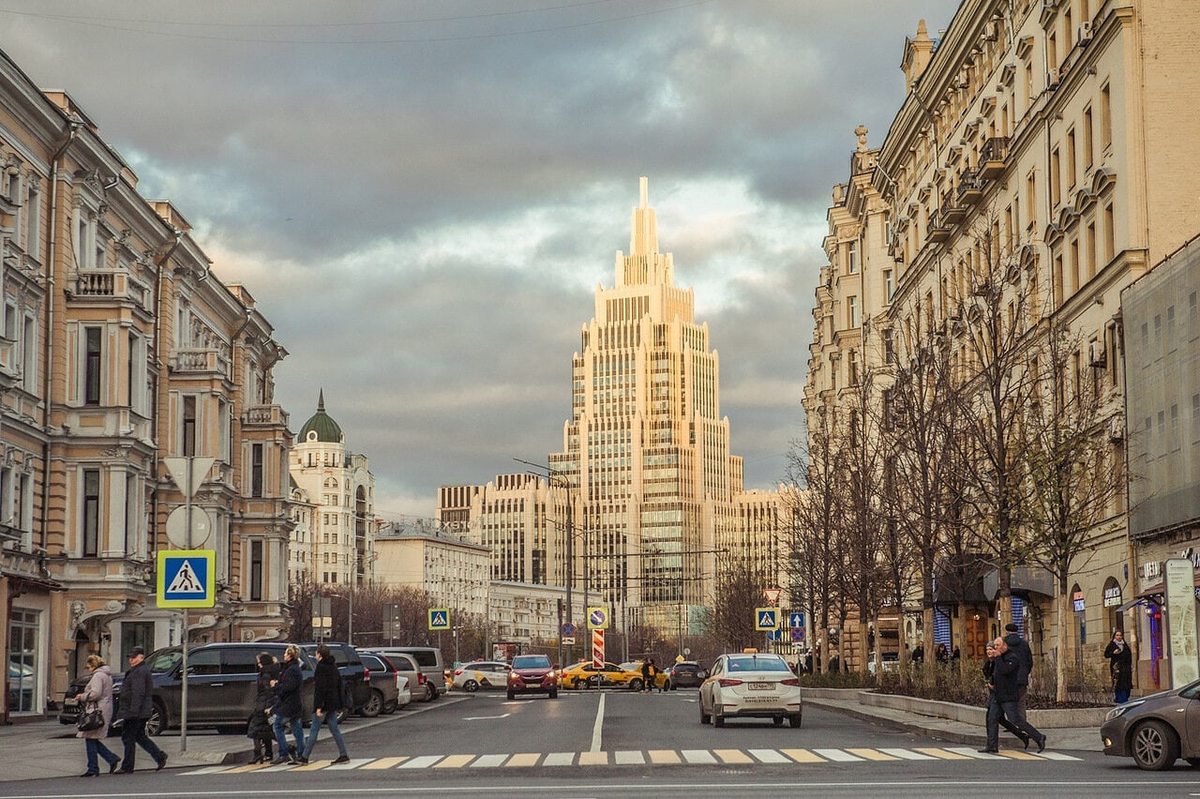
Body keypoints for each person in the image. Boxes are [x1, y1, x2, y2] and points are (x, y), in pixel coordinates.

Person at [115, 647, 167, 773]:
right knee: (139, 736)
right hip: (139, 711)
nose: (131, 660)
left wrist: (133, 711)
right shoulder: (139, 670)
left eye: (134, 657)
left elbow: (138, 693)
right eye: (130, 658)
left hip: (135, 712)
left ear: (141, 657)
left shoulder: (139, 672)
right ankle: (159, 756)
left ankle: (127, 766)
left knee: (128, 737)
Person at [297, 643, 349, 765]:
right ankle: (343, 754)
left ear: (319, 654)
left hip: (323, 704)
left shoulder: (321, 668)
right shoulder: (333, 666)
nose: (315, 654)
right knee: (335, 729)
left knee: (314, 729)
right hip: (333, 703)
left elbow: (321, 689)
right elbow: (337, 685)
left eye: (316, 652)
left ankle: (305, 756)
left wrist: (318, 707)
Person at [991, 637, 1045, 752]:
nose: (996, 648)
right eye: (994, 645)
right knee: (993, 718)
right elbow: (995, 673)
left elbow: (1005, 671)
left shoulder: (1012, 657)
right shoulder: (999, 657)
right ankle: (991, 746)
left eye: (998, 645)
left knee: (1015, 719)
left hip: (1008, 694)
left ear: (1004, 645)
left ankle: (1038, 737)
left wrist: (998, 658)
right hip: (998, 694)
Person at [979, 641, 1029, 753]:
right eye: (987, 650)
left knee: (997, 718)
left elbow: (1003, 675)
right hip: (995, 694)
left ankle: (992, 745)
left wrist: (993, 683)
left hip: (1002, 694)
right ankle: (1022, 736)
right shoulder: (989, 663)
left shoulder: (1000, 660)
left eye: (991, 649)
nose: (989, 652)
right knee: (998, 719)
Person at [76, 655, 121, 777]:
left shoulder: (97, 676)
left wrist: (82, 696)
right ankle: (111, 759)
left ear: (93, 665)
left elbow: (96, 693)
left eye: (89, 666)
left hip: (96, 710)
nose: (88, 669)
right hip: (104, 709)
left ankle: (93, 768)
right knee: (92, 738)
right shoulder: (107, 675)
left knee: (90, 738)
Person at [270, 644, 305, 765]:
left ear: (290, 655)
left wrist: (276, 686)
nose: (284, 655)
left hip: (289, 704)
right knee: (296, 728)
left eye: (285, 653)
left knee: (277, 726)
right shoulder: (293, 668)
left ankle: (284, 753)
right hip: (294, 703)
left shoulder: (292, 669)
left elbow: (288, 687)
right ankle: (301, 753)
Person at [247, 652, 279, 763]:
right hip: (267, 707)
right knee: (268, 730)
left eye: (259, 663)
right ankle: (271, 753)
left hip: (263, 708)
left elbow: (268, 692)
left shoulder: (265, 675)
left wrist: (267, 707)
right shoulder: (271, 672)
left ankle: (257, 754)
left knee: (253, 729)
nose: (258, 665)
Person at [1003, 622, 1034, 722]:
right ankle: (1023, 724)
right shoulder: (1024, 644)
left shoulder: (1004, 644)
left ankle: (1011, 723)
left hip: (1008, 678)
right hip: (1021, 679)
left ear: (1007, 632)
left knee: (1010, 703)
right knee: (1021, 703)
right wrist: (1025, 673)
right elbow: (1029, 661)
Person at [1104, 630, 1133, 704]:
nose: (1119, 637)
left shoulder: (1124, 644)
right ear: (1114, 636)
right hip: (1117, 667)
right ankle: (1121, 699)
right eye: (1117, 635)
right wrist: (1113, 653)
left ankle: (1125, 697)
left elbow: (1129, 655)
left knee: (1126, 683)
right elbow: (1106, 654)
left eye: (1120, 635)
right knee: (1119, 683)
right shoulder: (1112, 644)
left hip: (1126, 667)